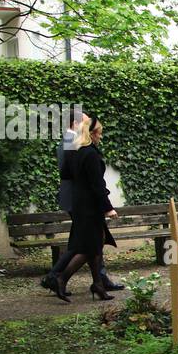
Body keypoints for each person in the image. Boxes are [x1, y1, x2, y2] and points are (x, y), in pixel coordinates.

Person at [41, 110, 123, 296]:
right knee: (86, 244)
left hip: (80, 200)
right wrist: (106, 206)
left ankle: (99, 282)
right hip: (83, 202)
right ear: (76, 124)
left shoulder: (77, 146)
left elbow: (69, 173)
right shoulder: (75, 144)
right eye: (85, 122)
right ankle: (57, 278)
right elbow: (77, 176)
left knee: (92, 242)